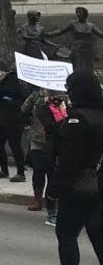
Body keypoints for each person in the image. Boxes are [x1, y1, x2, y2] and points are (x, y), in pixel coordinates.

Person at [49, 70, 103, 264]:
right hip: (99, 184)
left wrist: (54, 189)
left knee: (66, 233)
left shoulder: (78, 120)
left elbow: (69, 160)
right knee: (98, 235)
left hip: (78, 187)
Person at [23, 88, 66, 218]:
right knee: (38, 170)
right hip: (38, 138)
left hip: (56, 141)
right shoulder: (36, 96)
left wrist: (61, 106)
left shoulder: (64, 98)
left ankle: (52, 200)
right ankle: (37, 199)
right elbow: (24, 110)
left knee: (53, 172)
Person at [0, 59, 28, 182]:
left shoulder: (13, 80)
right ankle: (4, 169)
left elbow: (7, 92)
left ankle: (20, 172)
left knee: (15, 146)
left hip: (12, 119)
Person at [47, 8, 103, 74]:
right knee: (77, 66)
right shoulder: (73, 24)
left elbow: (100, 34)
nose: (78, 14)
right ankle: (77, 80)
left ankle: (88, 80)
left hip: (87, 49)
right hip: (77, 48)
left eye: (80, 12)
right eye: (77, 12)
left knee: (87, 66)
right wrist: (48, 34)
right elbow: (61, 31)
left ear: (85, 14)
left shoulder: (91, 26)